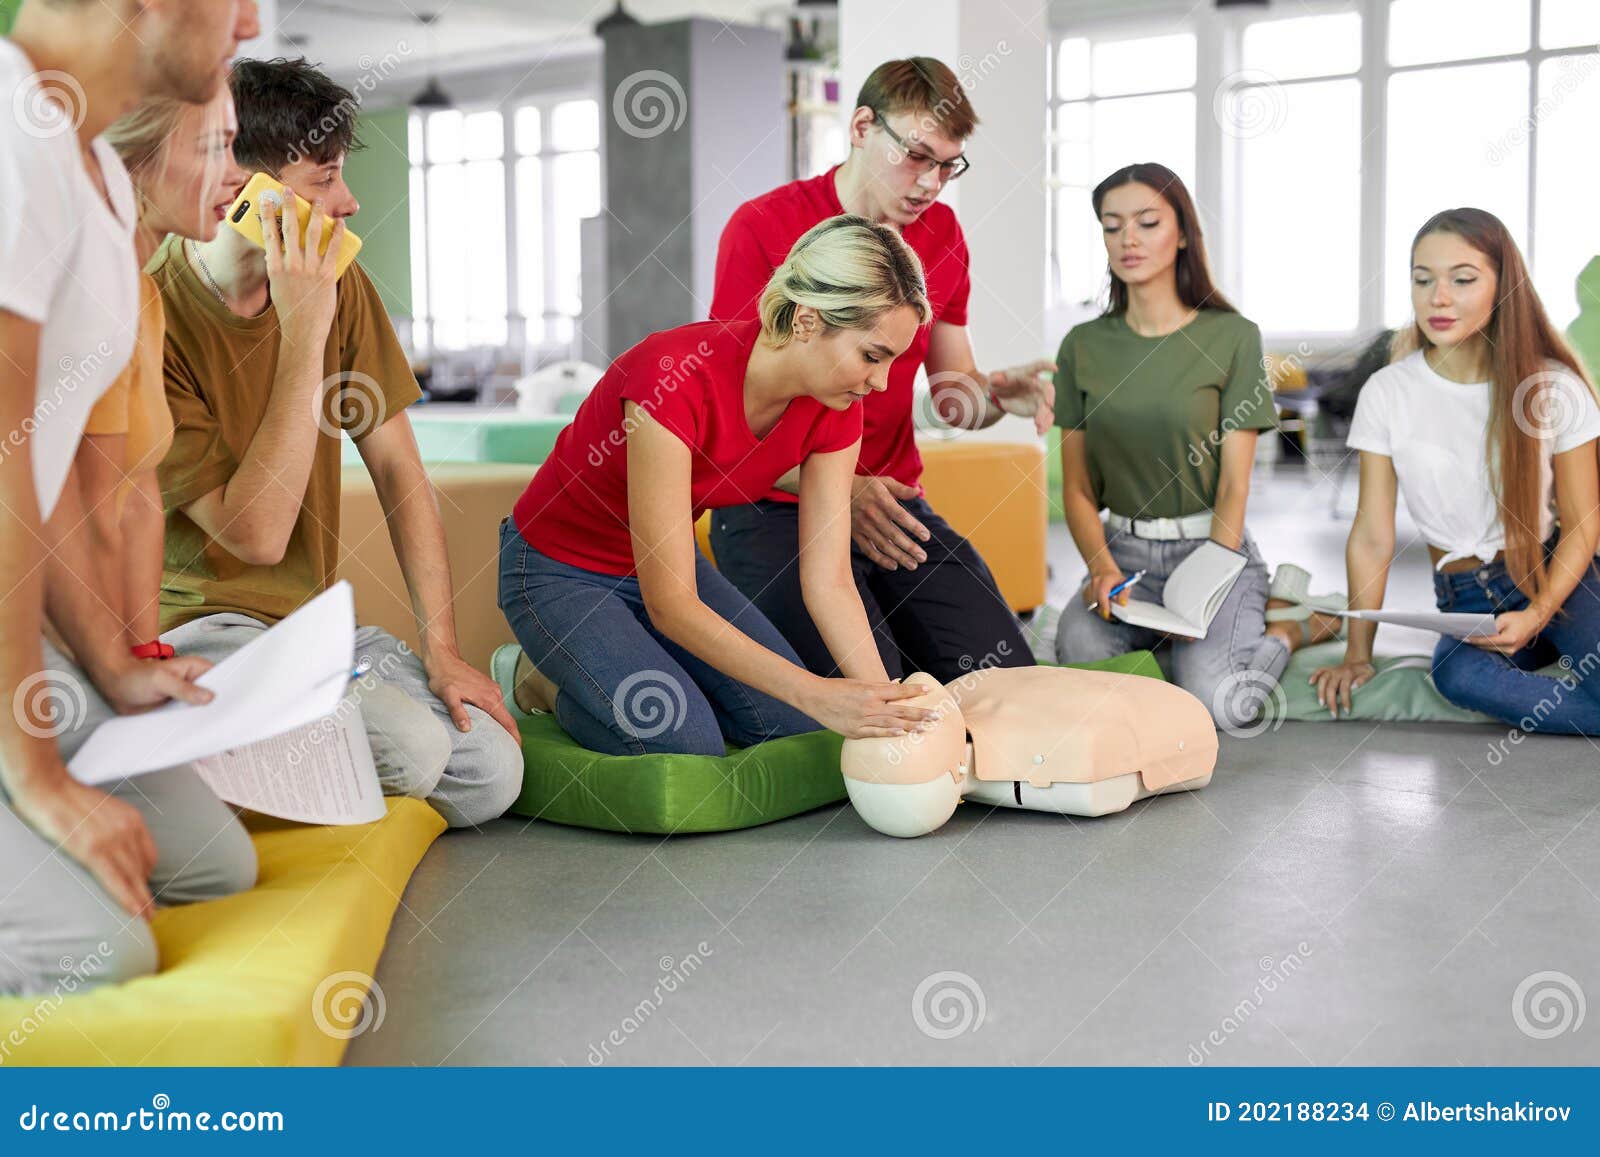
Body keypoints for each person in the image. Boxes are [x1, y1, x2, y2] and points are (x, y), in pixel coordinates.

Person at [153, 57, 523, 828]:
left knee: (492, 772)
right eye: (324, 180)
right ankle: (209, 740)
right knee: (414, 752)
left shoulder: (340, 284)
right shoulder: (154, 314)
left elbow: (399, 471)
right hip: (201, 630)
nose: (349, 202)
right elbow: (256, 536)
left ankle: (283, 749)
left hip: (312, 630)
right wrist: (304, 329)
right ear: (244, 191)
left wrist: (442, 650)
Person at [0, 0, 260, 998]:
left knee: (210, 863)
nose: (248, 23)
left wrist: (112, 660)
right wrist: (35, 775)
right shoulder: (13, 129)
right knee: (98, 952)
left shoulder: (102, 177)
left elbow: (55, 469)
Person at [497, 216, 938, 756]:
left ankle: (634, 667)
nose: (882, 382)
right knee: (682, 739)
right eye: (872, 355)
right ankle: (537, 681)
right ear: (807, 320)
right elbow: (671, 605)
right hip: (559, 570)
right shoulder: (673, 375)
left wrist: (884, 707)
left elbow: (829, 582)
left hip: (668, 565)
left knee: (795, 727)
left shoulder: (838, 405)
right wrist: (818, 693)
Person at [704, 57, 1050, 684]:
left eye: (948, 165)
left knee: (1007, 679)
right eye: (917, 156)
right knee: (870, 695)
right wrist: (840, 490)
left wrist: (1001, 395)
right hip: (774, 503)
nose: (932, 183)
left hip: (892, 503)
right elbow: (727, 419)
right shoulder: (763, 227)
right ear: (862, 127)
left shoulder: (942, 234)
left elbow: (952, 395)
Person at [1053, 163, 1339, 730]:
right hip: (1124, 555)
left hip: (1214, 547)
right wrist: (1101, 568)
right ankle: (1180, 648)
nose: (1128, 239)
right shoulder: (1082, 346)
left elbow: (1234, 484)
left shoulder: (1232, 337)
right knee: (1080, 659)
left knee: (1221, 703)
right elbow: (1079, 490)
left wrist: (1207, 580)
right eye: (1112, 226)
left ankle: (1292, 625)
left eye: (1147, 222)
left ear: (1182, 233)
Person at [1311, 208, 1600, 730]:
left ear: (1502, 287)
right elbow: (1372, 536)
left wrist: (1537, 614)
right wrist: (1357, 655)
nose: (1437, 298)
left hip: (1560, 578)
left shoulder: (1555, 386)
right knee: (1457, 676)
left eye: (1462, 279)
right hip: (1467, 597)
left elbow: (1582, 522)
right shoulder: (1388, 392)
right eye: (1423, 279)